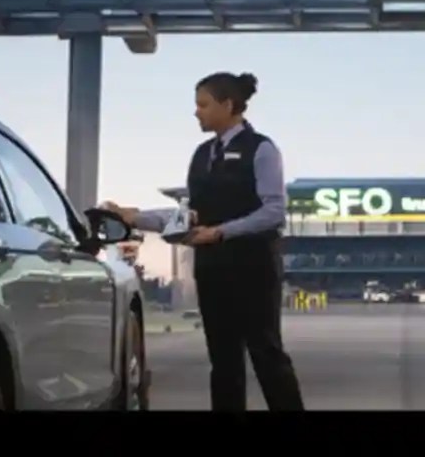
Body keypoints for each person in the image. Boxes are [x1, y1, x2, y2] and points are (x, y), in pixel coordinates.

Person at [101, 71, 305, 412]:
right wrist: (135, 217)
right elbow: (188, 216)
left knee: (266, 354)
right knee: (223, 363)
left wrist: (221, 231)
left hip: (253, 267)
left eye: (203, 104)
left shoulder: (262, 149)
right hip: (212, 269)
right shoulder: (201, 154)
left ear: (228, 105)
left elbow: (274, 212)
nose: (197, 112)